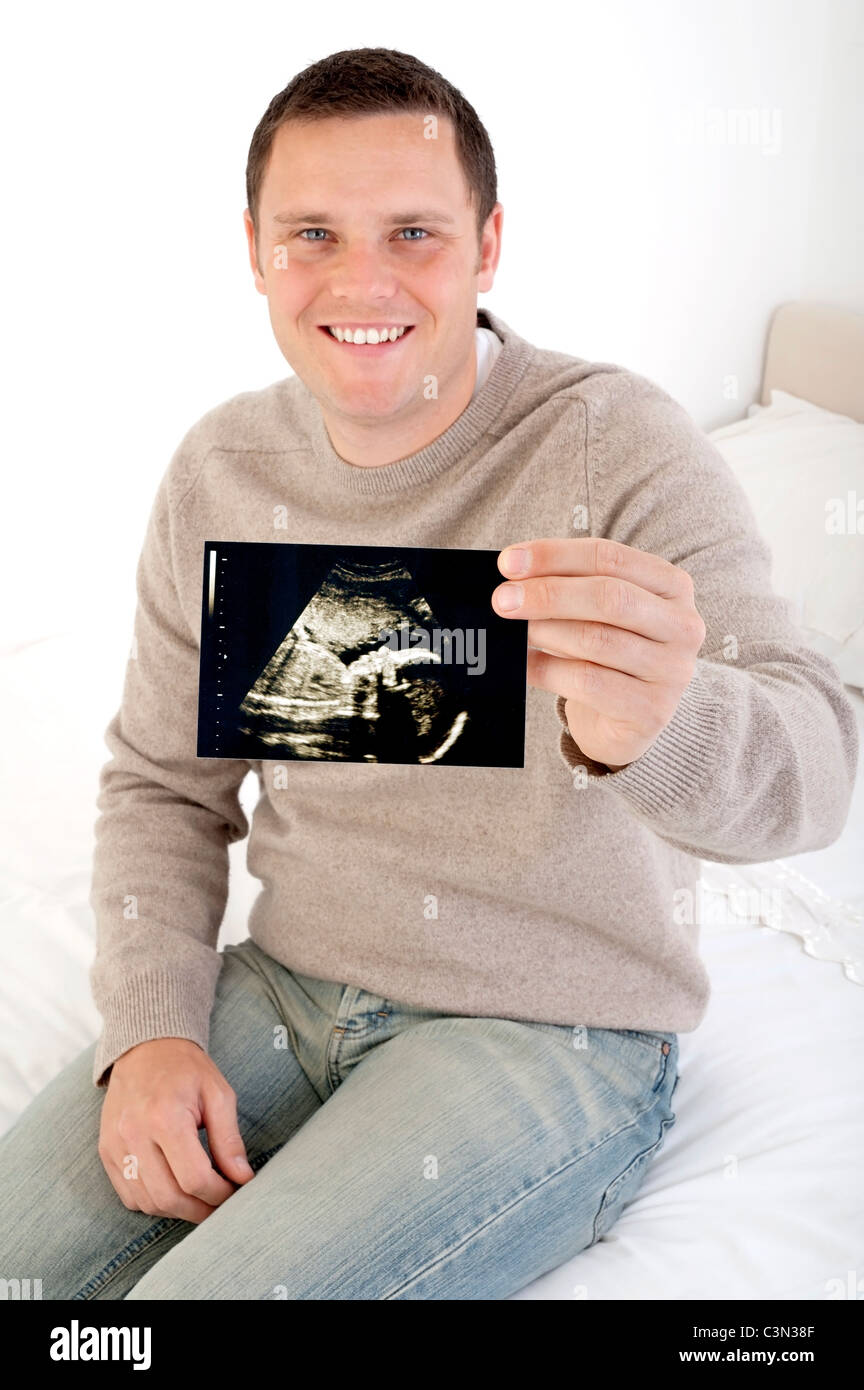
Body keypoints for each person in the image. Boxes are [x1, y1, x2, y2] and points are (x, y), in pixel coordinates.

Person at [0, 46, 857, 1301]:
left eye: (414, 231)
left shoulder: (617, 446)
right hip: (287, 983)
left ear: (489, 243)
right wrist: (153, 1026)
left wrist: (663, 725)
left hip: (546, 1029)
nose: (362, 280)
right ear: (253, 250)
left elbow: (821, 767)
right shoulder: (222, 469)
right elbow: (160, 790)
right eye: (312, 234)